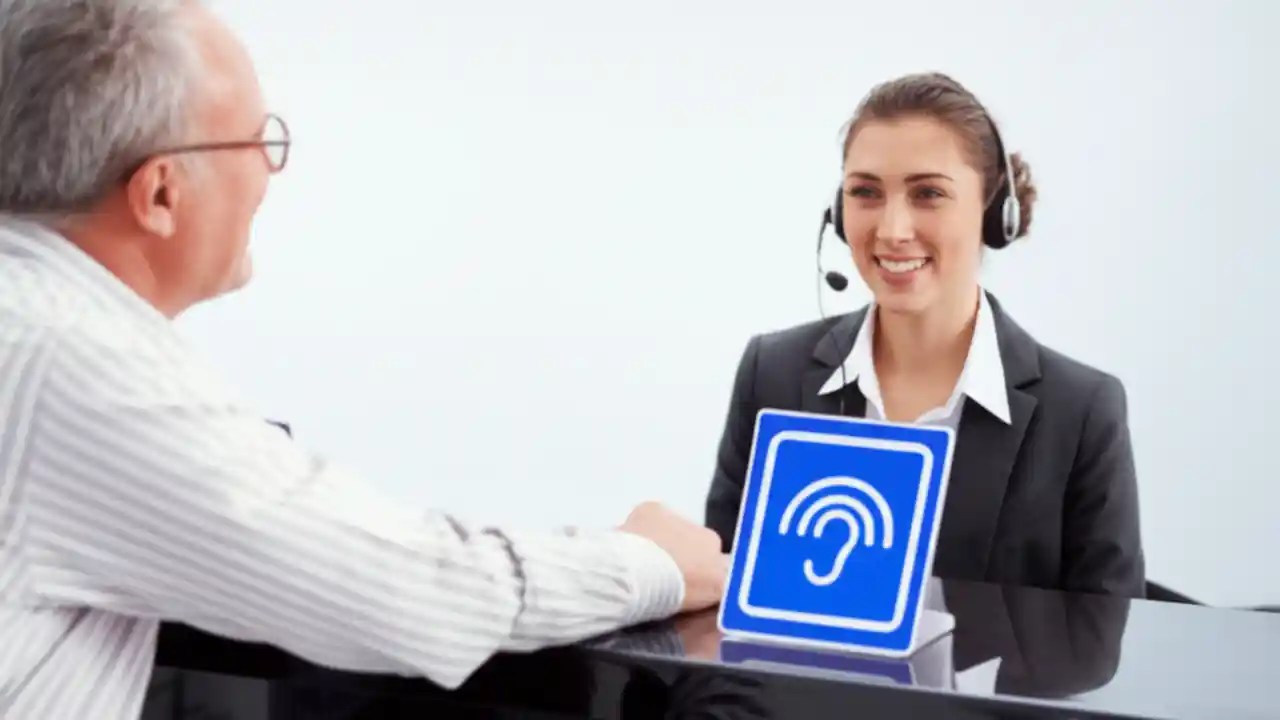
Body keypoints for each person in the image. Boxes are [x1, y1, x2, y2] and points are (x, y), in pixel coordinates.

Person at [0, 1, 725, 718]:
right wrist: (649, 561)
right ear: (161, 192)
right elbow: (410, 593)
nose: (269, 173)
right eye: (256, 142)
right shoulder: (81, 367)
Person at [704, 72, 1144, 599]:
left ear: (994, 210)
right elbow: (720, 601)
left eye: (928, 193)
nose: (892, 229)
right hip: (797, 685)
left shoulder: (1080, 411)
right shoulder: (771, 371)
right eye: (865, 192)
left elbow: (1103, 653)